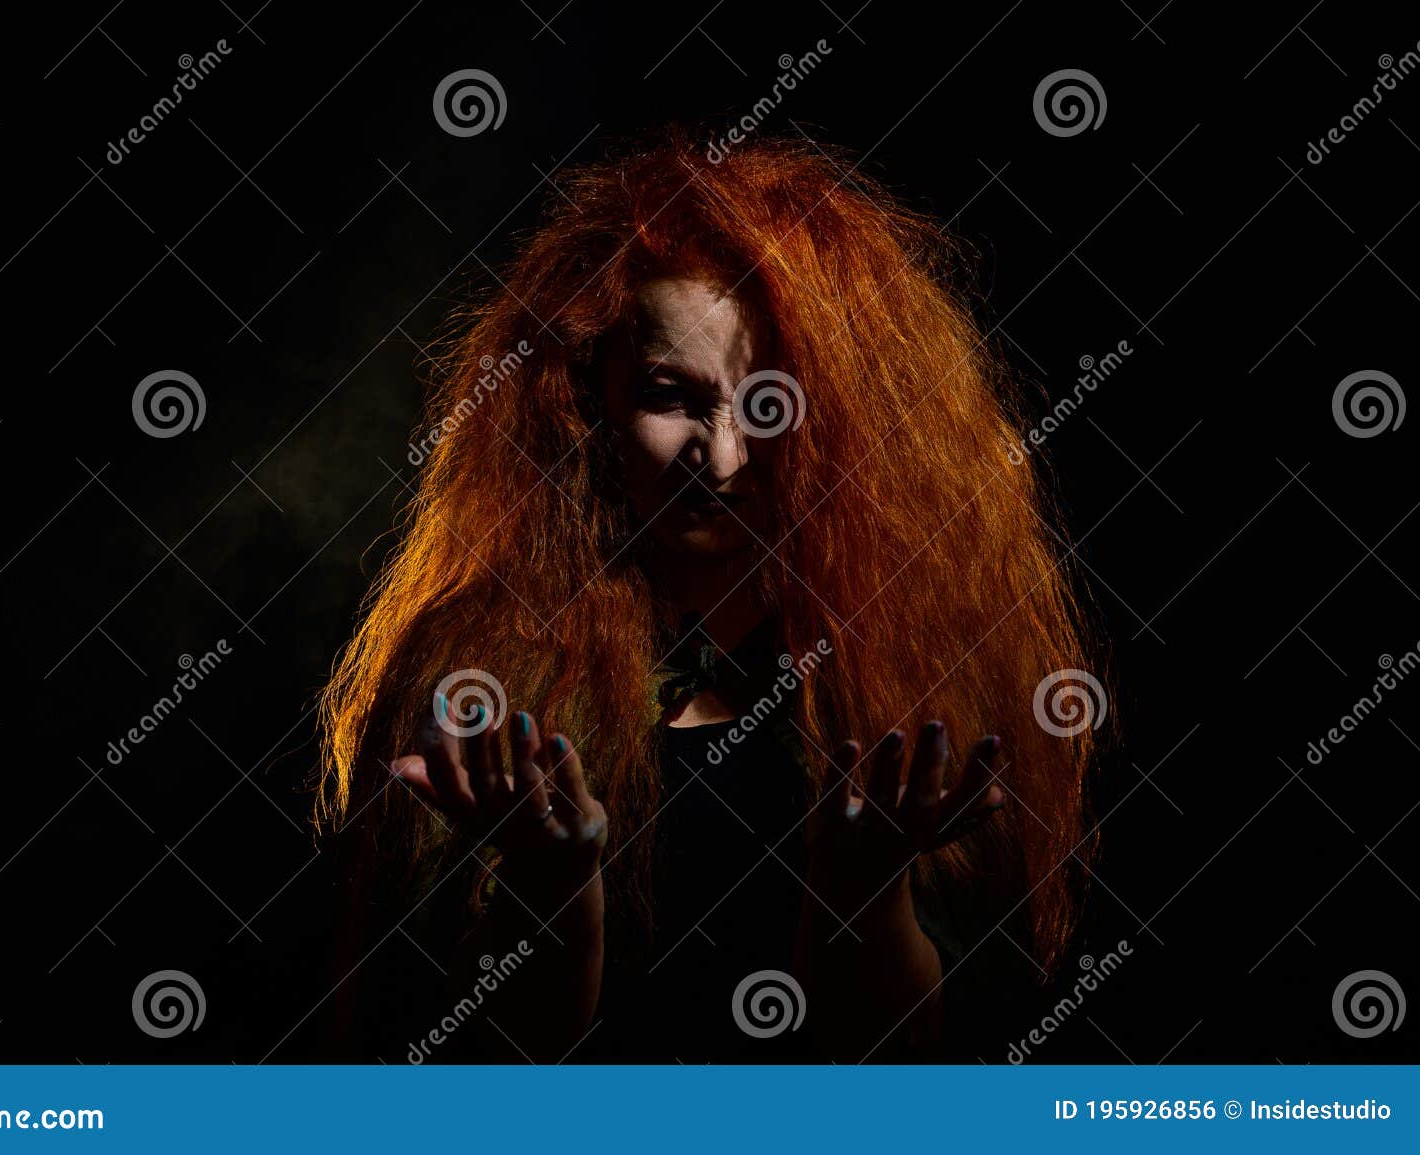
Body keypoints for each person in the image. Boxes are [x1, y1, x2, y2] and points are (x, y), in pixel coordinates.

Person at [314, 126, 1104, 1063]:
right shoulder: (478, 673)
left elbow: (919, 1073)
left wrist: (863, 896)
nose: (721, 458)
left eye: (768, 403)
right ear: (585, 398)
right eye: (668, 395)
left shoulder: (923, 667)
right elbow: (443, 1069)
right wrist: (547, 893)